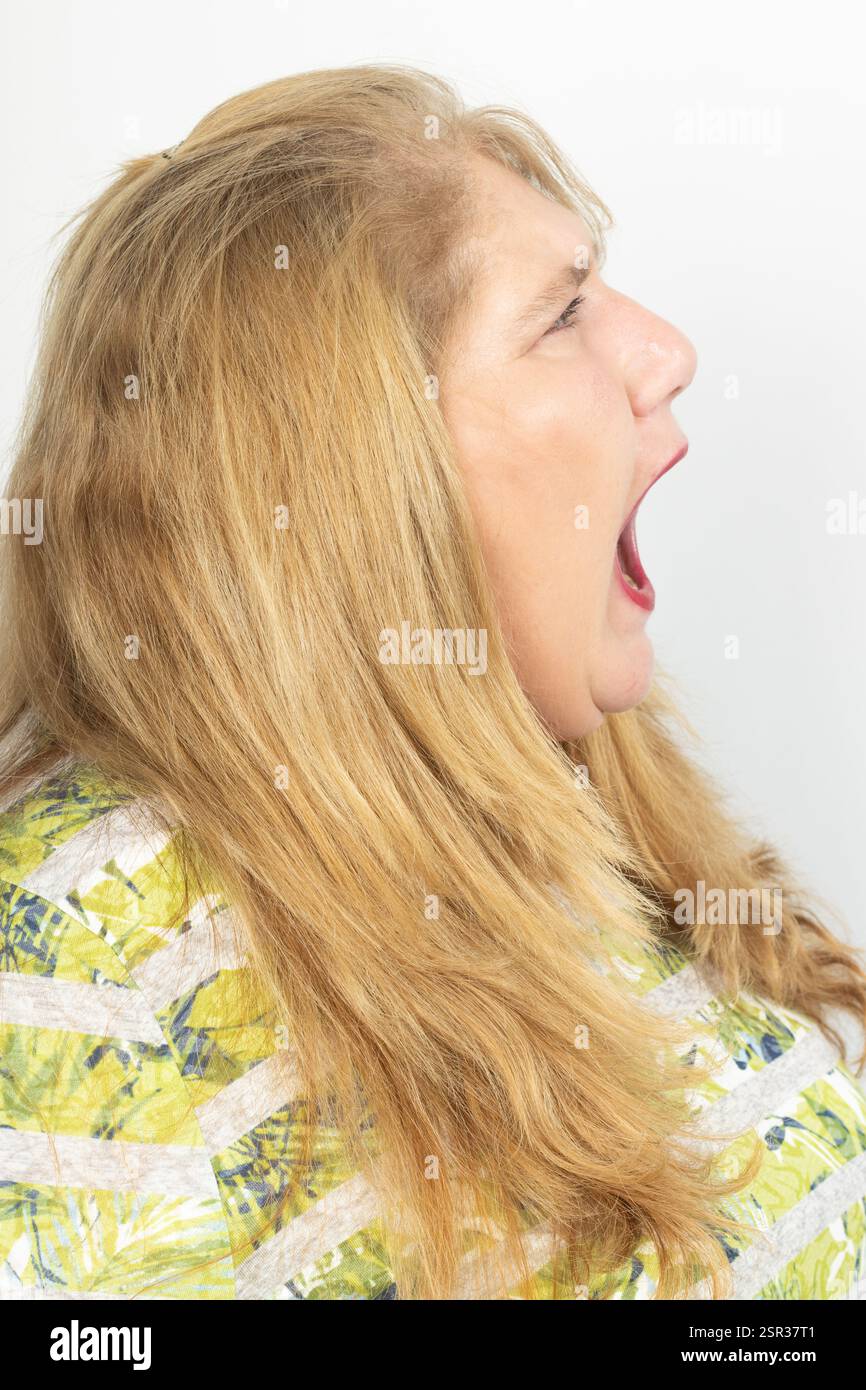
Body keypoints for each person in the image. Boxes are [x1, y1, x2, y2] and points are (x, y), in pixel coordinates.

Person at [2, 64, 865, 1302]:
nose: (663, 351)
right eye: (560, 314)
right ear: (354, 474)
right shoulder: (71, 970)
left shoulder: (576, 784)